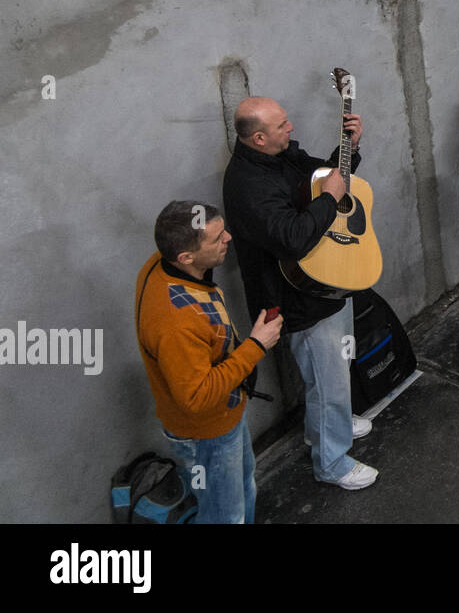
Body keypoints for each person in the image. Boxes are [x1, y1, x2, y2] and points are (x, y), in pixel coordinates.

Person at [222, 96, 379, 491]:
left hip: (325, 282)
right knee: (329, 383)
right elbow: (293, 237)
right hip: (297, 297)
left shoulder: (282, 156)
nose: (290, 128)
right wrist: (329, 198)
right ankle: (332, 463)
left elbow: (325, 177)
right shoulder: (248, 186)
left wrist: (350, 150)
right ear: (258, 138)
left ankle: (328, 426)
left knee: (331, 375)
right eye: (282, 125)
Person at [135, 201, 283, 523]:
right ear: (186, 258)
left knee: (243, 488)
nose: (228, 238)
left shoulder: (161, 264)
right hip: (207, 434)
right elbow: (197, 397)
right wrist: (257, 345)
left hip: (225, 416)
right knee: (224, 515)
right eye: (217, 239)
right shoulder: (176, 323)